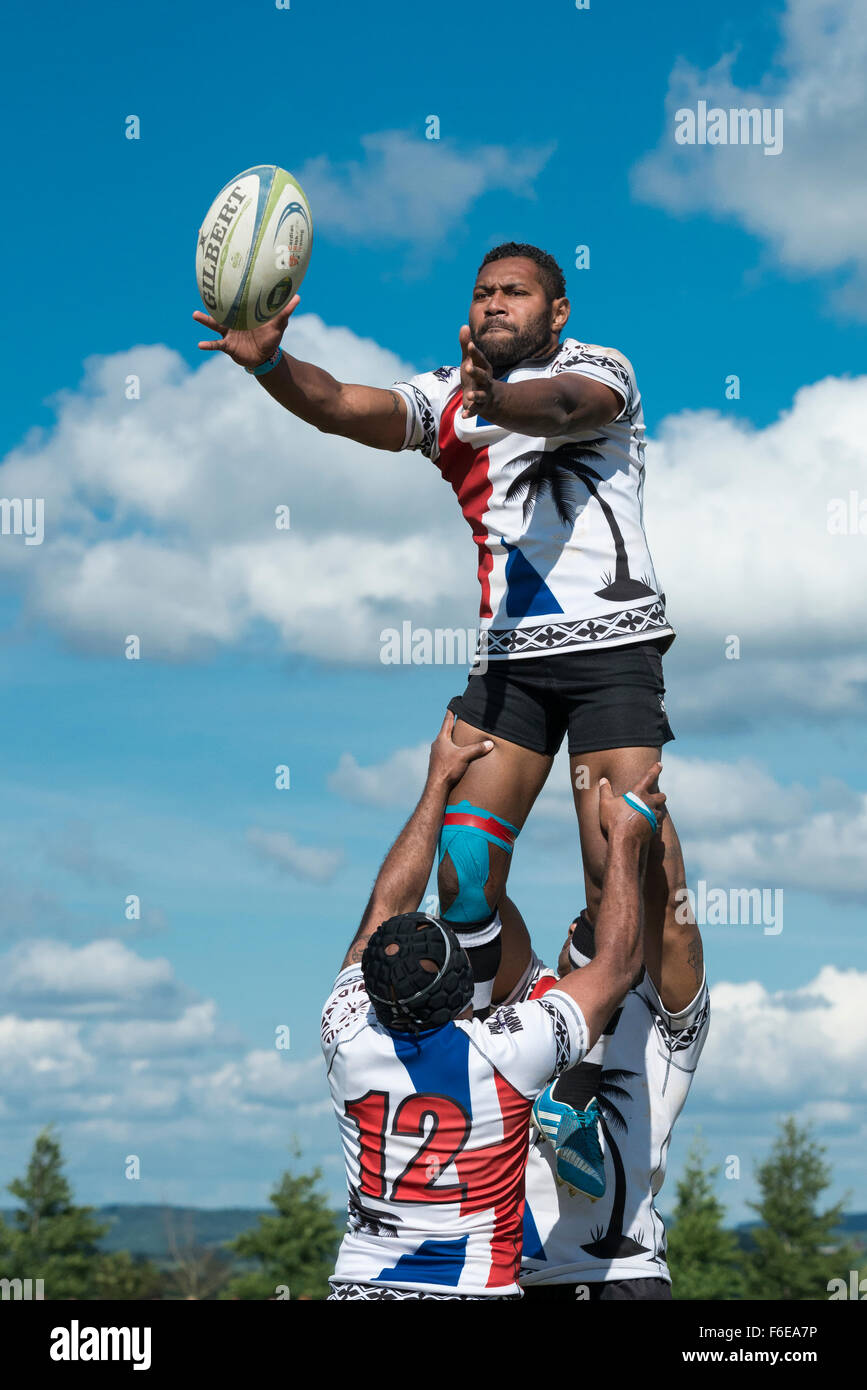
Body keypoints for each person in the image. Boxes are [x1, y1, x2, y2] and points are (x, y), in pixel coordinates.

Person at [194, 240, 687, 1184]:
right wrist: (267, 364)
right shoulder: (442, 397)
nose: (496, 302)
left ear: (557, 311)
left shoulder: (598, 371)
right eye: (482, 291)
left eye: (516, 292)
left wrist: (491, 400)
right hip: (507, 669)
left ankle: (577, 1087)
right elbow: (342, 408)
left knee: (615, 870)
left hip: (613, 658)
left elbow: (562, 409)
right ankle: (514, 1040)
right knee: (463, 877)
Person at [319, 713, 666, 1299]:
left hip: (362, 1284)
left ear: (375, 983)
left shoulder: (346, 1034)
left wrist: (436, 787)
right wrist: (628, 844)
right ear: (462, 994)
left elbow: (379, 915)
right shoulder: (504, 1052)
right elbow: (619, 968)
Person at [515, 890, 709, 1300]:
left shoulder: (664, 1022)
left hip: (623, 1273)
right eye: (588, 927)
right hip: (515, 1277)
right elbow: (480, 910)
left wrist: (642, 827)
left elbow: (672, 912)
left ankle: (570, 1102)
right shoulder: (530, 999)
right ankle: (568, 1101)